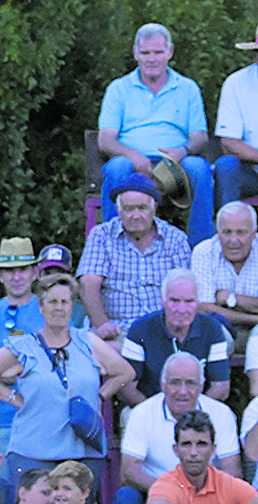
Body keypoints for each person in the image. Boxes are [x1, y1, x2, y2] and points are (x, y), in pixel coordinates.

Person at [96, 353, 239, 504]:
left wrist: (203, 494)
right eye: (175, 382)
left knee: (243, 502)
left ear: (202, 385)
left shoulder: (221, 413)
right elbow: (129, 471)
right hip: (154, 492)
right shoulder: (143, 412)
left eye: (190, 383)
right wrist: (173, 491)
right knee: (127, 498)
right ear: (162, 384)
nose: (182, 391)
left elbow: (232, 470)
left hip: (208, 491)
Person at [0, 273, 134, 486]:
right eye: (53, 302)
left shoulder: (88, 342)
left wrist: (100, 396)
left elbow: (125, 372)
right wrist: (11, 396)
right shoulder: (24, 346)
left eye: (65, 302)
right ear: (41, 307)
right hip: (33, 453)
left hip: (82, 451)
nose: (59, 308)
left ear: (72, 307)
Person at [97, 22, 212, 245]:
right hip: (131, 163)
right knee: (116, 168)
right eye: (145, 53)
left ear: (170, 52)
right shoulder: (119, 88)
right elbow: (105, 139)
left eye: (158, 52)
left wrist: (182, 151)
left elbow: (200, 136)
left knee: (200, 169)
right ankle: (112, 245)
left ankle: (200, 248)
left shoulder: (187, 88)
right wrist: (133, 156)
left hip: (176, 163)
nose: (152, 59)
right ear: (135, 53)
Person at [76, 173, 192, 340]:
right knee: (95, 346)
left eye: (142, 208)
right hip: (118, 330)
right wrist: (102, 324)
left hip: (165, 330)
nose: (135, 215)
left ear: (154, 208)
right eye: (128, 209)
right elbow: (88, 284)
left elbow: (187, 289)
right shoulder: (102, 235)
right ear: (118, 210)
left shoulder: (175, 239)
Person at [0, 237, 56, 451]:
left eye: (23, 269)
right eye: (9, 270)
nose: (16, 277)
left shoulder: (53, 310)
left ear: (35, 272)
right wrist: (33, 371)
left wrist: (7, 369)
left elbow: (61, 364)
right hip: (1, 422)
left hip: (49, 419)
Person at [119, 268, 231, 405]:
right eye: (174, 301)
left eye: (189, 301)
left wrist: (192, 414)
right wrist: (157, 413)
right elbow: (126, 388)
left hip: (199, 409)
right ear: (163, 300)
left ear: (198, 302)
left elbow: (221, 387)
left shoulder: (212, 328)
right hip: (147, 407)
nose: (181, 309)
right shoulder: (140, 329)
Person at [193, 202, 258, 340]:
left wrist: (228, 298)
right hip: (221, 327)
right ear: (218, 232)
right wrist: (254, 318)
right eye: (227, 232)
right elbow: (204, 309)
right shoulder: (204, 252)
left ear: (254, 234)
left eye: (241, 232)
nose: (233, 240)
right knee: (211, 331)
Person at [214, 27, 258, 209]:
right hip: (252, 170)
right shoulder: (236, 83)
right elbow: (229, 143)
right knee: (226, 165)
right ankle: (228, 223)